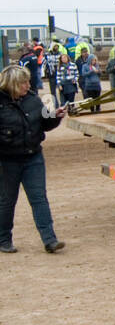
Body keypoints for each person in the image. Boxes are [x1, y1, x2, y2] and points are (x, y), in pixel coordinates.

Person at [0, 64, 65, 253]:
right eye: (24, 83)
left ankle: (50, 240)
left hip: (33, 158)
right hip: (7, 160)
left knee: (39, 198)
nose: (28, 85)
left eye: (28, 81)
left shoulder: (34, 100)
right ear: (12, 84)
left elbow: (45, 123)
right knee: (7, 200)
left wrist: (56, 116)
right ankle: (4, 239)